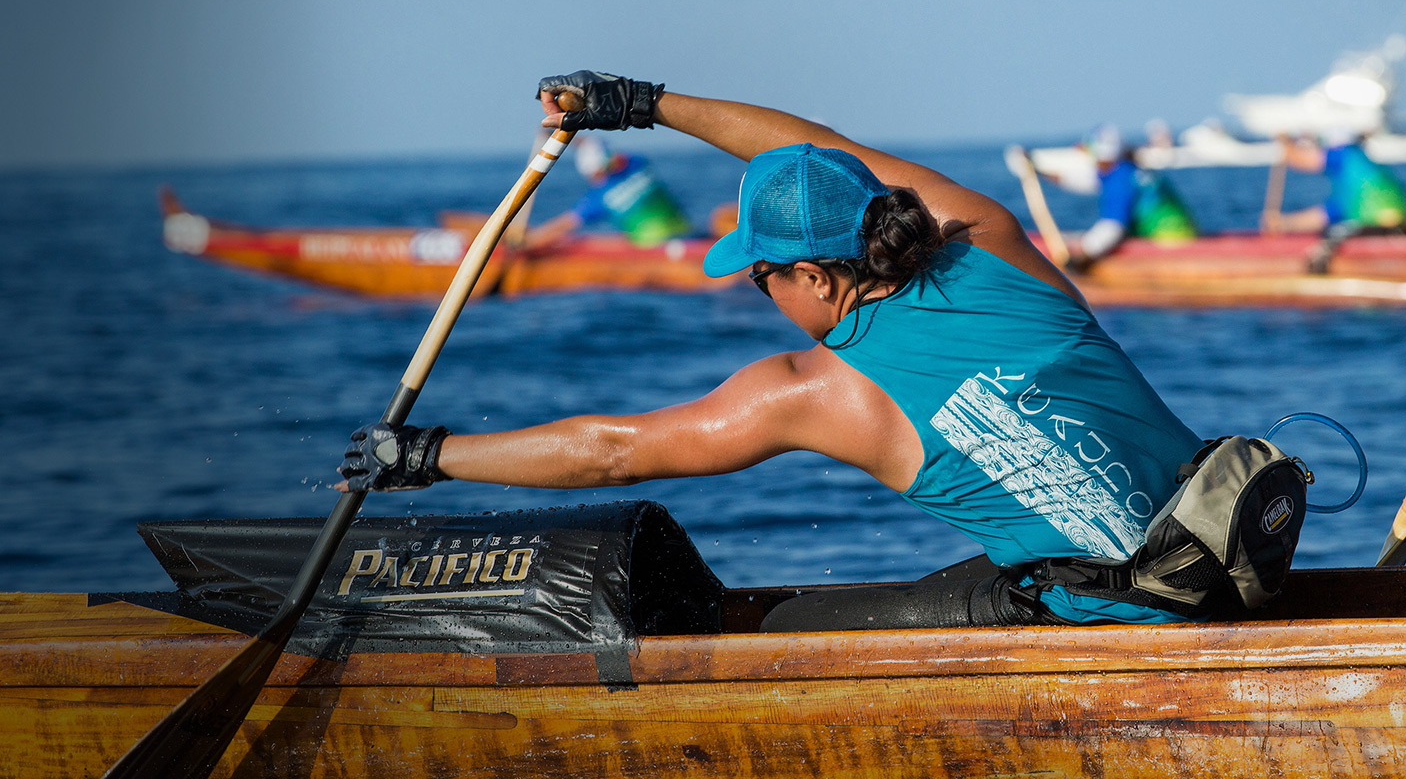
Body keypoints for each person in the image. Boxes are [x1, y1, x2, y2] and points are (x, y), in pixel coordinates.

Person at [340, 72, 1205, 632]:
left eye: (762, 279)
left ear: (815, 278)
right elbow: (823, 149)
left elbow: (617, 452)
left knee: (781, 626)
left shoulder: (818, 392)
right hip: (1226, 548)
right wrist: (638, 103)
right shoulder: (988, 238)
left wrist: (427, 455)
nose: (761, 296)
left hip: (1126, 615)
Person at [524, 134, 692, 250]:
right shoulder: (637, 163)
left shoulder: (600, 197)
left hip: (652, 248)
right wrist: (558, 137)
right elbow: (593, 145)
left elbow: (564, 225)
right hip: (689, 235)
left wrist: (528, 241)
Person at [1070, 126, 1198, 268]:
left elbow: (1113, 227)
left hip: (1168, 241)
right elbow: (1086, 182)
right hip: (1184, 233)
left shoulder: (1118, 180)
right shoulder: (1129, 169)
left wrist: (1082, 256)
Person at [1264, 132, 1406, 235]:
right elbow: (1327, 214)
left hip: (1376, 229)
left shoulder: (1345, 155)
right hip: (1403, 226)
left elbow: (1302, 159)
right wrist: (1283, 224)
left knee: (1334, 237)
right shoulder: (1361, 172)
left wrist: (1287, 145)